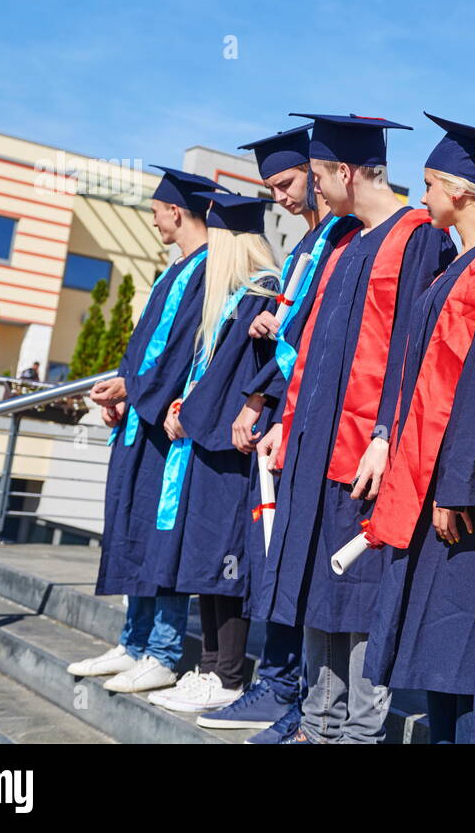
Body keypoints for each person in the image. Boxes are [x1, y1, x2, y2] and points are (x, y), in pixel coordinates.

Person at [252, 113, 456, 744]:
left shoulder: (417, 236)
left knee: (362, 592)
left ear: (344, 172)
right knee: (318, 586)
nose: (311, 188)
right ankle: (317, 726)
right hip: (316, 444)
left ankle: (361, 734)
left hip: (367, 448)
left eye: (315, 175)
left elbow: (414, 351)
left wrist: (386, 435)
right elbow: (310, 342)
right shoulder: (342, 240)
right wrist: (286, 419)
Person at [361, 113, 475, 744]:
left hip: (464, 499)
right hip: (426, 481)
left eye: (429, 184)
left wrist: (459, 487)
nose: (422, 198)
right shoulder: (451, 268)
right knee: (436, 652)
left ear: (461, 190)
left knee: (464, 653)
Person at [197, 125, 359, 742]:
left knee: (303, 558)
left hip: (320, 423)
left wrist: (261, 393)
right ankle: (287, 683)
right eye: (272, 187)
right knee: (281, 556)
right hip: (288, 413)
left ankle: (297, 690)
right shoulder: (304, 248)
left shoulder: (345, 238)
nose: (283, 196)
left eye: (288, 182)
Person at [69, 167, 227, 694]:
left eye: (157, 209)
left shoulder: (208, 270)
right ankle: (133, 642)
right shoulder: (175, 269)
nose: (154, 217)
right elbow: (145, 350)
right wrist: (122, 389)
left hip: (169, 428)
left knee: (162, 539)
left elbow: (183, 353)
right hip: (143, 421)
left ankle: (161, 650)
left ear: (176, 212)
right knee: (134, 530)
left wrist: (136, 392)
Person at [138, 190, 281, 714]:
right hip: (207, 438)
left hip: (233, 447)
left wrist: (193, 414)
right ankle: (209, 667)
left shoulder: (264, 292)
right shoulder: (235, 296)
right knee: (206, 560)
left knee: (228, 563)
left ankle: (229, 673)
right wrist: (183, 406)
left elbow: (245, 375)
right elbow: (208, 371)